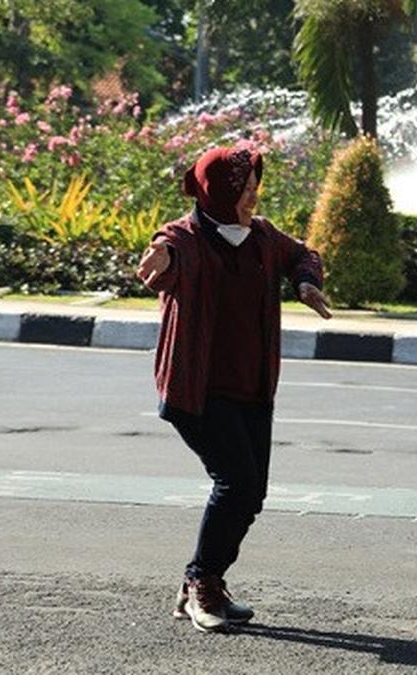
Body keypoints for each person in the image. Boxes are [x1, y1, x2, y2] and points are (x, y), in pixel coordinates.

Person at [136, 143, 332, 632]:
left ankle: (204, 583)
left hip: (252, 386)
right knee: (236, 483)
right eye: (241, 190)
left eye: (252, 188)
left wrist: (305, 282)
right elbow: (169, 254)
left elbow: (302, 254)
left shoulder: (262, 236)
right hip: (197, 389)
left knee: (252, 492)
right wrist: (160, 261)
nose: (250, 198)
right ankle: (202, 584)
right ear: (215, 192)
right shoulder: (187, 237)